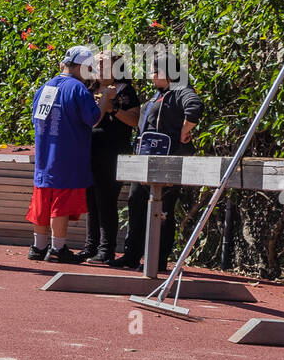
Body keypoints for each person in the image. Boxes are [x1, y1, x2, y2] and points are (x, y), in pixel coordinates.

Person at [114, 54, 204, 272]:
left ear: (166, 74)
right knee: (136, 204)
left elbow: (195, 107)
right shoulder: (158, 95)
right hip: (145, 160)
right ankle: (131, 255)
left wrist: (184, 131)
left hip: (167, 162)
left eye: (154, 72)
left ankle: (159, 259)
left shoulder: (181, 91)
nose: (151, 76)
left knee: (163, 211)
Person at [25, 46, 103, 263]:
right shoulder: (78, 89)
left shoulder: (45, 87)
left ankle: (38, 246)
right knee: (60, 204)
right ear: (82, 66)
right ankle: (58, 248)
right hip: (67, 156)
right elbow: (93, 118)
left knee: (42, 201)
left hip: (44, 155)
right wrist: (104, 101)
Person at [82, 51, 140, 264]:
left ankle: (106, 250)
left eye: (103, 64)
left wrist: (113, 109)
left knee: (105, 200)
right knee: (91, 201)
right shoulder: (89, 88)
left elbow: (135, 120)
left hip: (113, 151)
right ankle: (90, 246)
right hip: (90, 150)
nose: (98, 67)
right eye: (96, 63)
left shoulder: (126, 90)